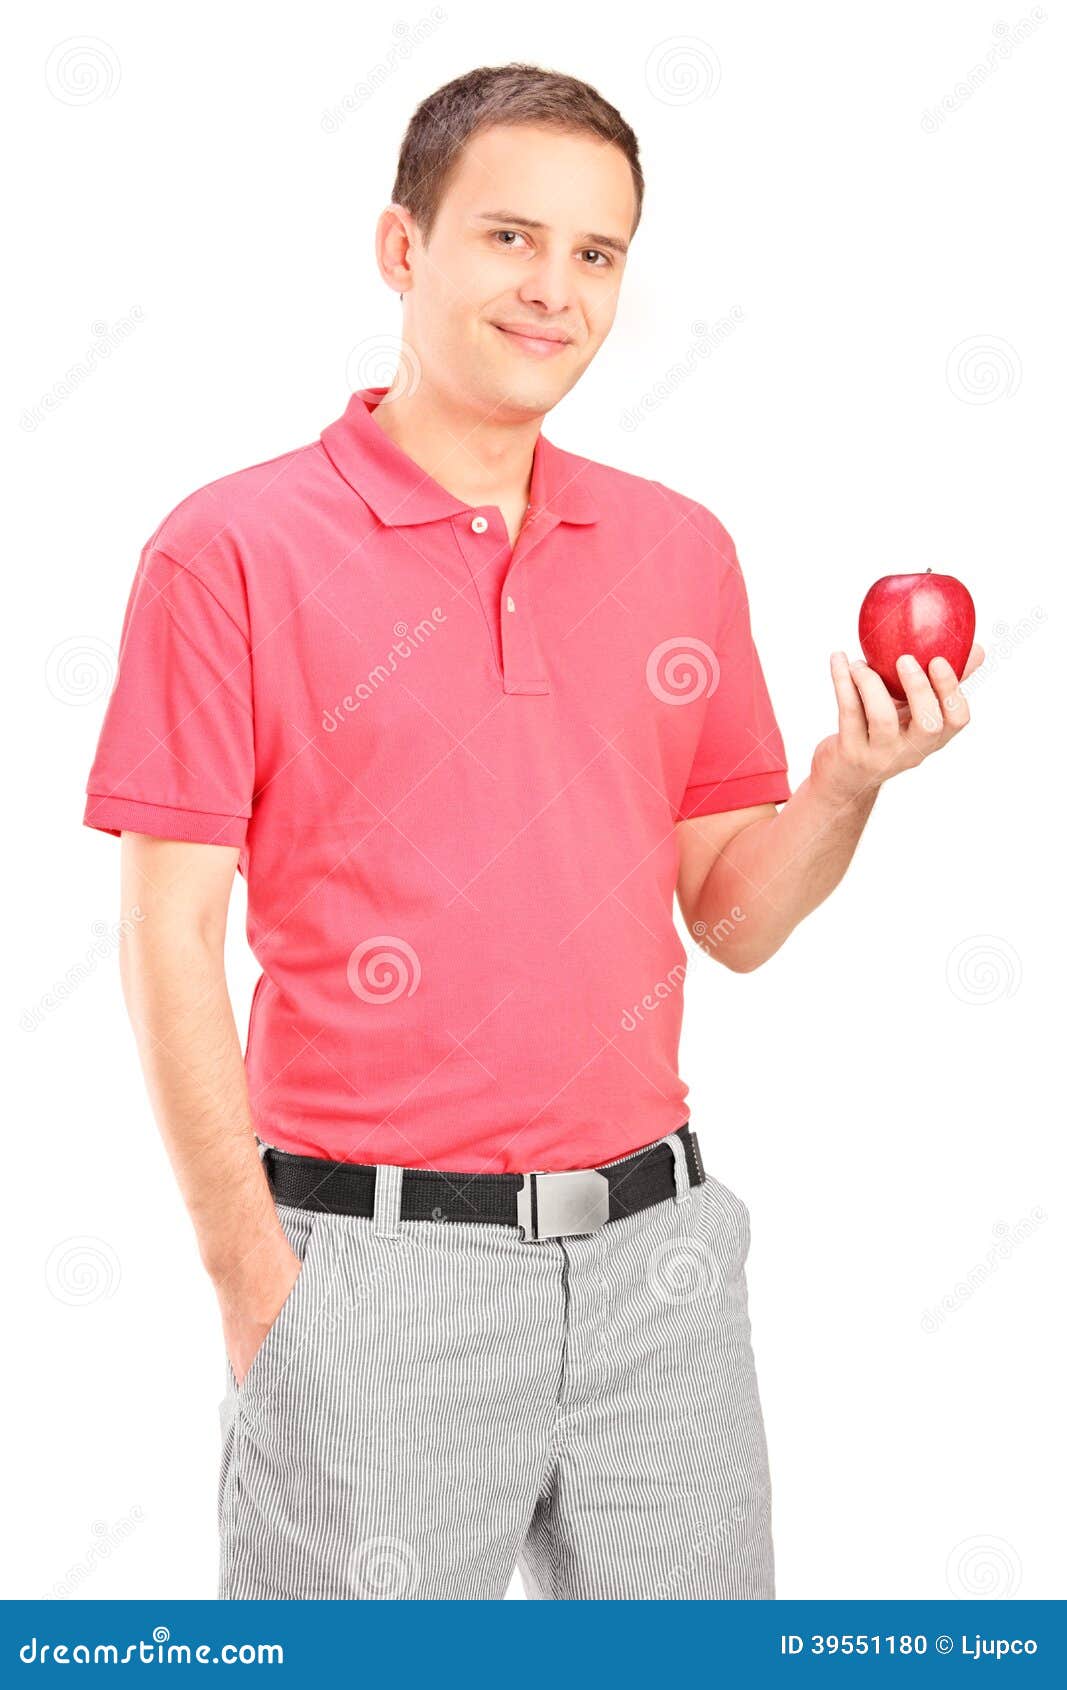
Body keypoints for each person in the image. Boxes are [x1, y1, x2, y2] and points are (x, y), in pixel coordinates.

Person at [82, 62, 983, 1600]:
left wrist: (847, 780)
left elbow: (735, 919)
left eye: (596, 253)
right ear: (403, 247)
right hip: (370, 1281)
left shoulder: (677, 549)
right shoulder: (229, 550)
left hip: (661, 1274)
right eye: (510, 237)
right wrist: (252, 1276)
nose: (553, 289)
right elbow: (168, 931)